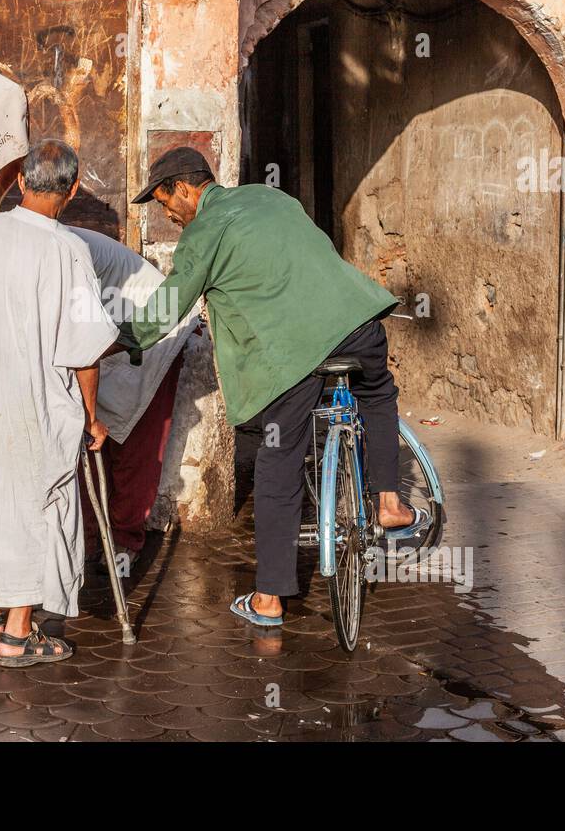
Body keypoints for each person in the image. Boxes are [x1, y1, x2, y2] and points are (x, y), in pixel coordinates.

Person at [117, 147, 415, 628]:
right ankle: (389, 502)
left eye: (163, 200)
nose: (165, 213)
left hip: (294, 355)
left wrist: (122, 340)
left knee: (280, 464)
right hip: (359, 321)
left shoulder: (202, 232)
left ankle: (269, 598)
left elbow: (170, 303)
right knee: (378, 395)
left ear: (187, 189)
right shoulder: (270, 197)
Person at [0, 139, 117, 667]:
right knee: (33, 505)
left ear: (21, 182)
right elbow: (85, 352)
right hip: (35, 405)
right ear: (74, 189)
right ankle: (17, 633)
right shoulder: (69, 251)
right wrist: (90, 415)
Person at [66, 227, 200, 574]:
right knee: (86, 440)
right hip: (107, 338)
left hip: (152, 332)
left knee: (135, 445)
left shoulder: (56, 249)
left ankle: (125, 541)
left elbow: (79, 333)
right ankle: (91, 541)